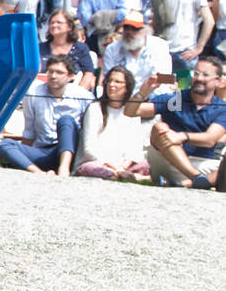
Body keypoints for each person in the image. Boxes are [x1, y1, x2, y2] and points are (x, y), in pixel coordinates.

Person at [124, 55, 226, 188]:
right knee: (160, 127)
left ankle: (183, 184)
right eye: (196, 73)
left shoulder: (221, 108)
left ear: (218, 81)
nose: (199, 78)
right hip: (167, 160)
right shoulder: (176, 100)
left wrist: (181, 136)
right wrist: (142, 93)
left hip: (202, 163)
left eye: (205, 75)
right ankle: (197, 179)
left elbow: (210, 139)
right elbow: (130, 112)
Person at [0, 55, 91, 175]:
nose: (53, 76)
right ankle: (39, 173)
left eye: (59, 72)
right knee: (5, 144)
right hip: (43, 151)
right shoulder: (34, 93)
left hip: (69, 151)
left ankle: (64, 169)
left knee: (66, 120)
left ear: (70, 76)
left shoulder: (83, 96)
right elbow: (29, 130)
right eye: (50, 71)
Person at [75, 67, 150, 180]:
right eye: (109, 81)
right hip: (98, 162)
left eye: (117, 82)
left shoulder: (132, 111)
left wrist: (123, 167)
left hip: (123, 164)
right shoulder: (95, 108)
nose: (111, 85)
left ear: (127, 87)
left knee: (146, 165)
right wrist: (115, 168)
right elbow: (89, 149)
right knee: (94, 168)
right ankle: (129, 176)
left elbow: (135, 147)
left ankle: (122, 175)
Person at [148, 0, 212, 71]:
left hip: (186, 51)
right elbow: (155, 22)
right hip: (163, 50)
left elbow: (209, 20)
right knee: (164, 82)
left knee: (186, 82)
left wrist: (199, 48)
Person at [102, 11, 173, 92]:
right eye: (126, 28)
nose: (129, 32)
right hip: (121, 95)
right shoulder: (112, 49)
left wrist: (143, 96)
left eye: (135, 29)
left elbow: (164, 79)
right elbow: (109, 79)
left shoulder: (160, 46)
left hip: (153, 95)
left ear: (146, 30)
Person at [40, 10, 96, 90]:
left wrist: (78, 94)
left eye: (59, 22)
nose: (54, 25)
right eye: (52, 23)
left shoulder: (81, 48)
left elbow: (88, 74)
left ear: (69, 27)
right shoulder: (39, 48)